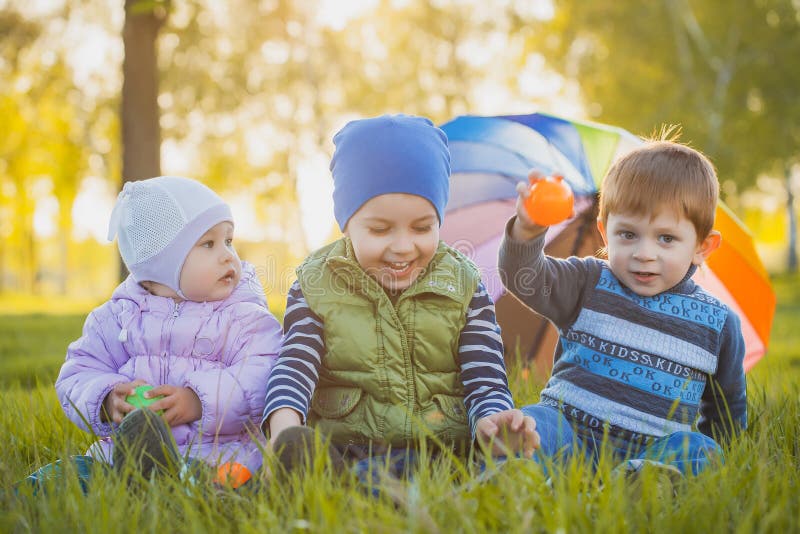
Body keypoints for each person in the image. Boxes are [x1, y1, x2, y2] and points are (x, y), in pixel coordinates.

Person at [262, 115, 539, 483]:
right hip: (351, 447)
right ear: (347, 224)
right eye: (380, 229)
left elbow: (485, 376)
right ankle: (324, 479)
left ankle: (469, 485)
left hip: (443, 447)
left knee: (508, 471)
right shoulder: (315, 284)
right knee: (326, 467)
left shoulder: (465, 284)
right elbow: (295, 366)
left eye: (423, 227)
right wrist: (284, 429)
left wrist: (493, 421)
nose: (403, 246)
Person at [498, 139, 747, 488]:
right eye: (628, 234)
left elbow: (726, 406)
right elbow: (524, 279)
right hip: (567, 429)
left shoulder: (717, 323)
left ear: (702, 246)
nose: (644, 253)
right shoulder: (588, 281)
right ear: (604, 230)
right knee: (530, 425)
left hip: (653, 449)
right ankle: (511, 480)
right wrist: (527, 231)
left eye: (666, 239)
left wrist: (724, 448)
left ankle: (641, 482)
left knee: (701, 449)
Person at [33, 176, 281, 491]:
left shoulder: (245, 317)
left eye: (228, 240)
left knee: (217, 484)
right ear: (163, 264)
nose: (228, 255)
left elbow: (262, 374)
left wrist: (198, 402)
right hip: (119, 454)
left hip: (217, 457)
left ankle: (172, 484)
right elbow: (77, 373)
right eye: (208, 243)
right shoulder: (117, 318)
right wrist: (108, 399)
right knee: (64, 477)